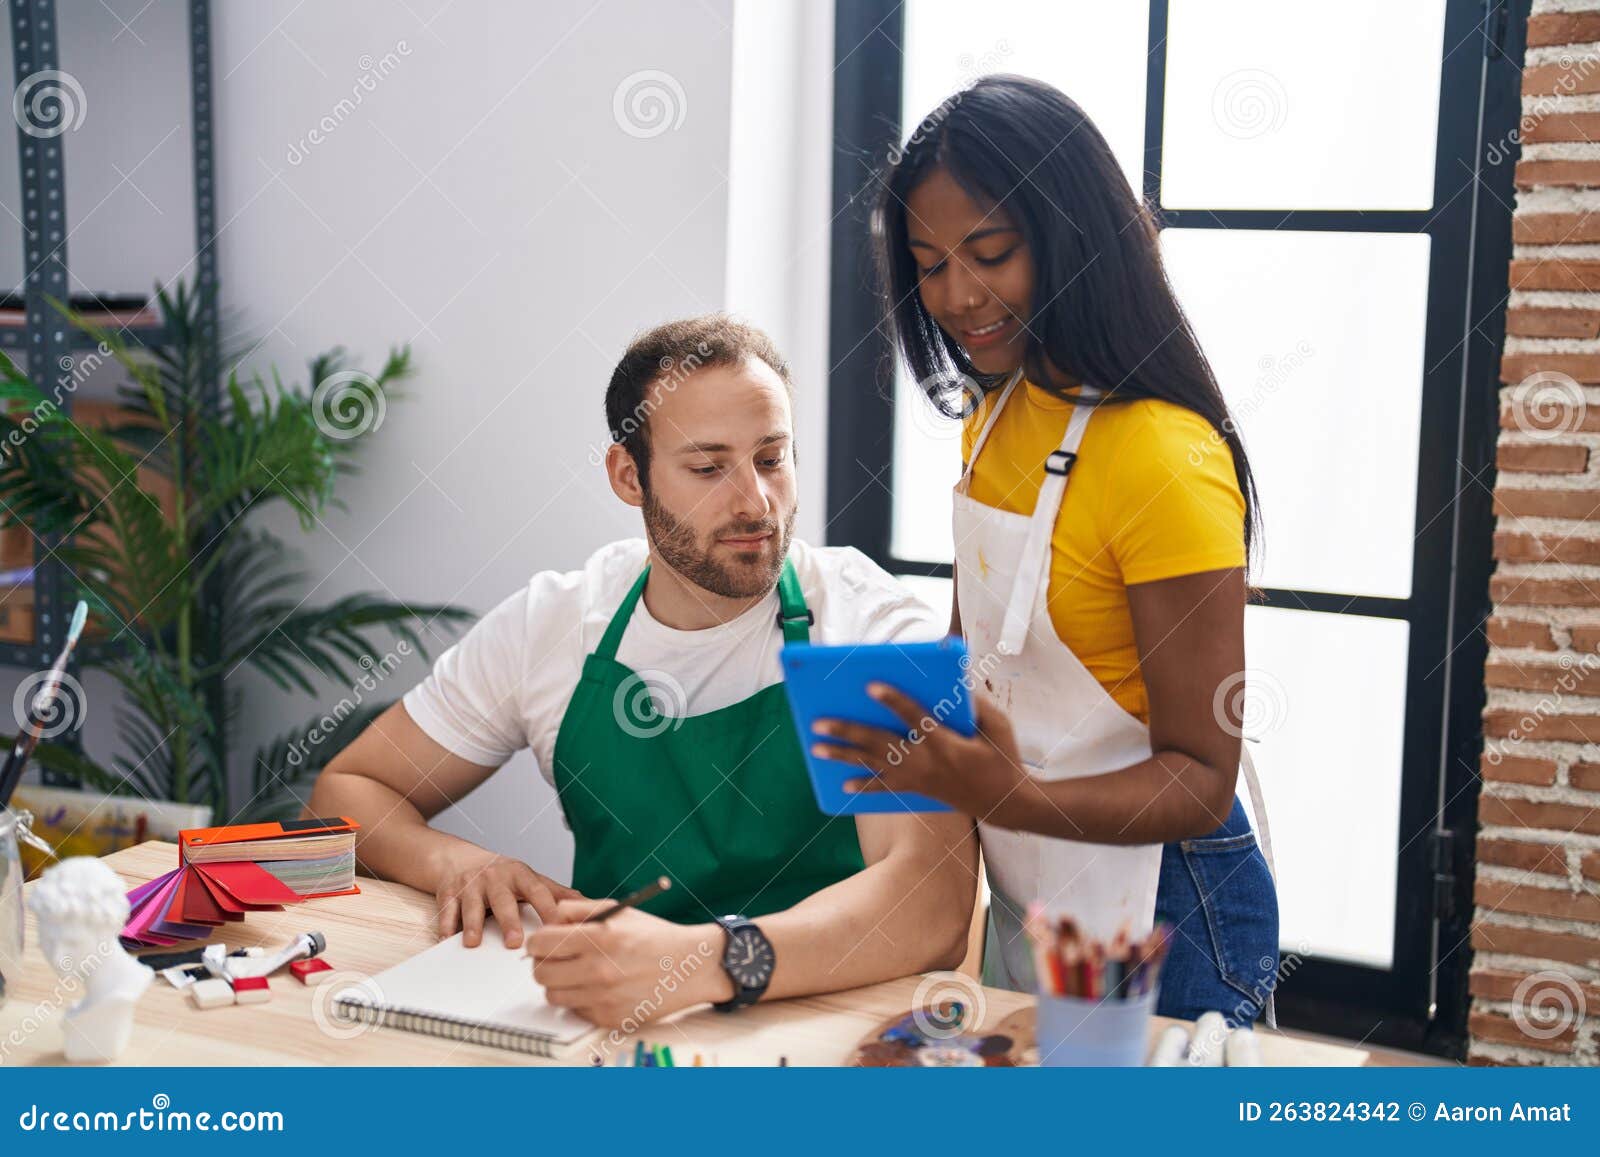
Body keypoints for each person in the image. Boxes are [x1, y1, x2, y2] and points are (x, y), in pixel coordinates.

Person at [308, 315, 976, 1030]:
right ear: (630, 476)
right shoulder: (555, 625)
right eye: (708, 466)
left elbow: (931, 905)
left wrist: (701, 960)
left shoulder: (870, 625)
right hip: (614, 1033)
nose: (755, 501)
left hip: (829, 1031)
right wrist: (456, 864)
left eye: (772, 458)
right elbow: (345, 791)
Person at [808, 75, 1280, 1023]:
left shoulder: (1161, 457)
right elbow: (974, 667)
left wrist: (1014, 794)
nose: (958, 295)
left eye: (991, 253)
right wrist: (893, 730)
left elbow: (1198, 777)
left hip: (1171, 902)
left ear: (1073, 236)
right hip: (1040, 886)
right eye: (930, 262)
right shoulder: (994, 418)